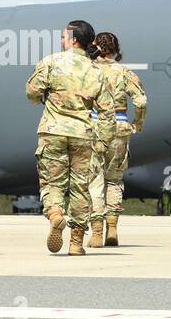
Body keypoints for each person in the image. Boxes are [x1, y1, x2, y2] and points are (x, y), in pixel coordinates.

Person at [25, 20, 113, 255]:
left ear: (73, 39)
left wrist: (44, 96)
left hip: (52, 131)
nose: (62, 41)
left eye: (64, 37)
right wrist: (103, 143)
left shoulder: (52, 62)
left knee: (52, 182)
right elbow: (107, 111)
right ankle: (76, 243)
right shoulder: (96, 71)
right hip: (82, 134)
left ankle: (55, 214)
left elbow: (32, 93)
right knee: (80, 187)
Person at [86, 32, 147, 247]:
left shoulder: (89, 70)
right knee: (114, 180)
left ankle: (96, 231)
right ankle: (112, 227)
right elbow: (140, 101)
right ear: (116, 49)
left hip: (94, 126)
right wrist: (137, 124)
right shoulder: (124, 73)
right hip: (120, 127)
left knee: (94, 179)